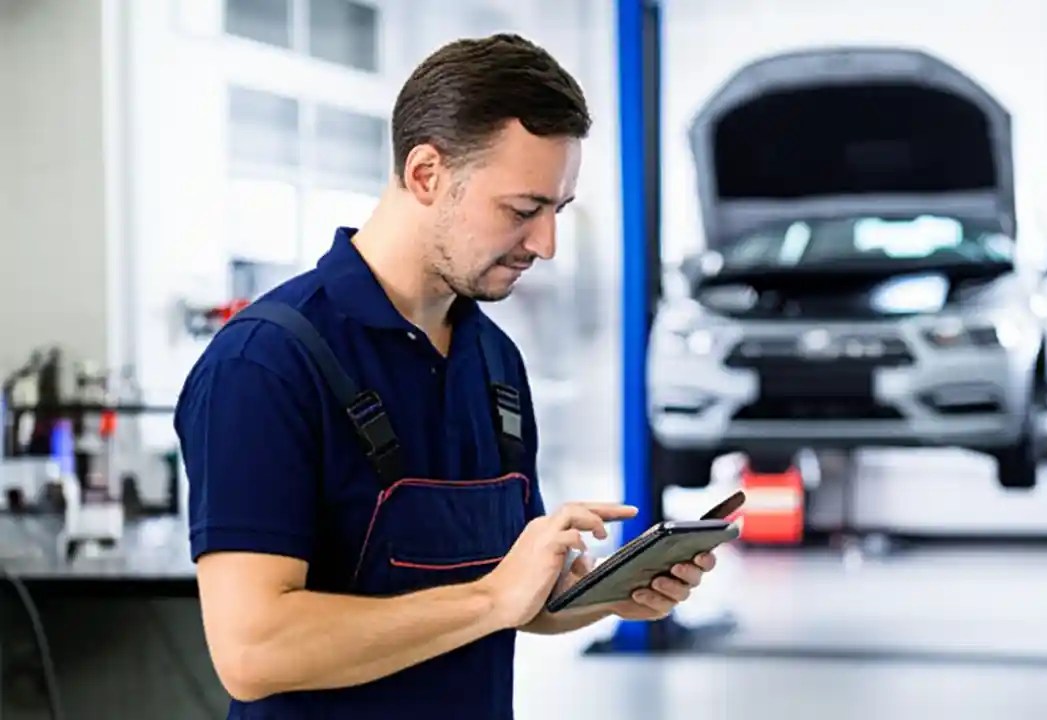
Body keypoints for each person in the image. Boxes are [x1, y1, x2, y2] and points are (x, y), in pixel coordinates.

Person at [174, 33, 717, 719]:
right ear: (426, 174)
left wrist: (603, 593)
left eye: (558, 212)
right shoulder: (265, 365)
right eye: (522, 211)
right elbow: (253, 651)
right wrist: (493, 598)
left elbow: (505, 604)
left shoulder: (494, 363)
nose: (545, 245)